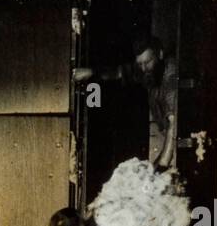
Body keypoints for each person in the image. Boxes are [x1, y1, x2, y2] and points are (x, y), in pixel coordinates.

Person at [73, 34, 179, 170]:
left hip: (177, 139)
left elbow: (174, 122)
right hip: (169, 139)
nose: (144, 68)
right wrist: (92, 72)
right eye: (140, 64)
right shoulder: (149, 71)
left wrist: (162, 165)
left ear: (160, 54)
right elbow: (119, 72)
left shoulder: (170, 77)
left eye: (147, 62)